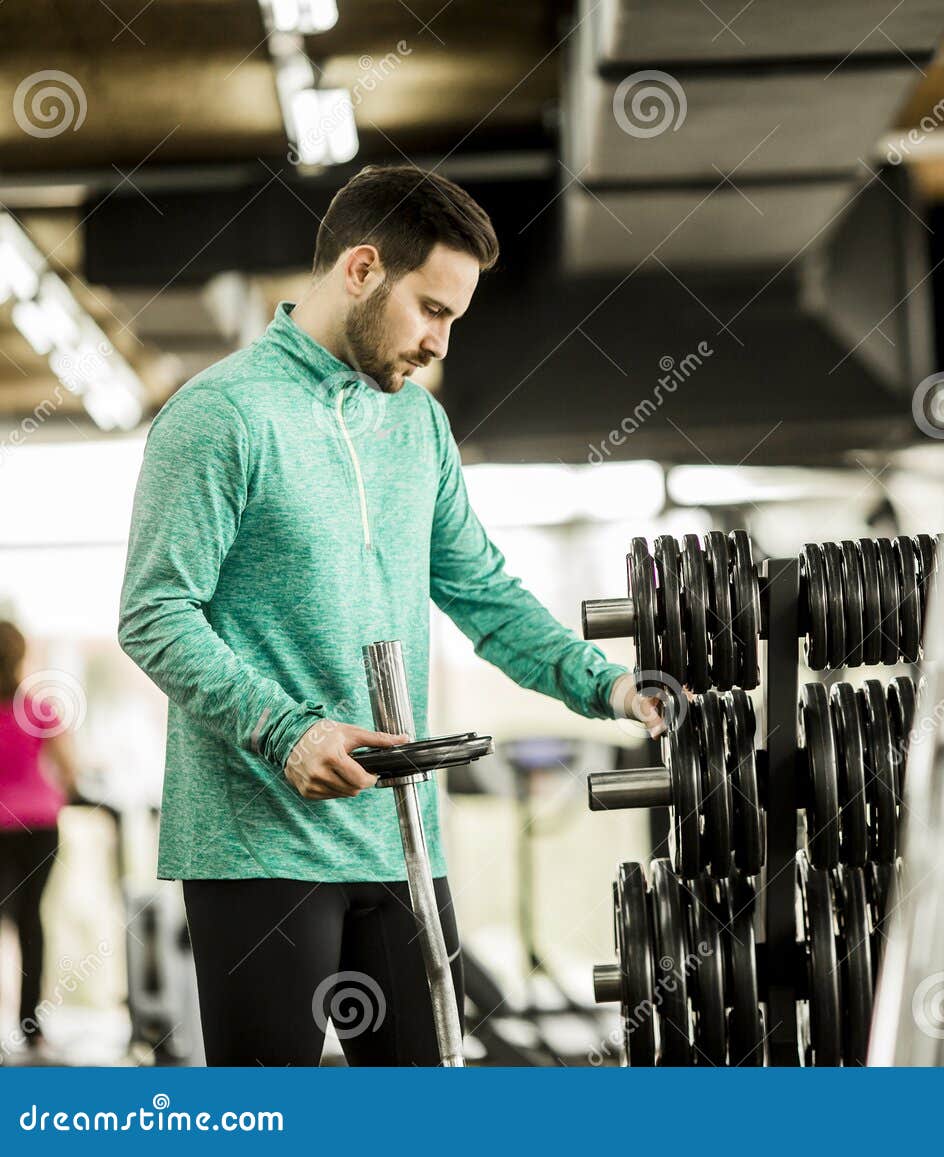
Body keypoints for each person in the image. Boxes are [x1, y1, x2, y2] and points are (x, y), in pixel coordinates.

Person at [117, 165, 664, 1066]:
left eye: (454, 318)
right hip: (258, 845)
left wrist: (604, 685)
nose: (441, 342)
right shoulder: (221, 416)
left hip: (401, 837)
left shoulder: (417, 427)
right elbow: (154, 612)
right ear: (363, 269)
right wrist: (286, 730)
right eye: (432, 310)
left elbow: (480, 591)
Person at [0, 621, 80, 1060]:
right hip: (38, 826)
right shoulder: (36, 709)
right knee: (31, 921)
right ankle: (31, 1029)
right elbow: (70, 769)